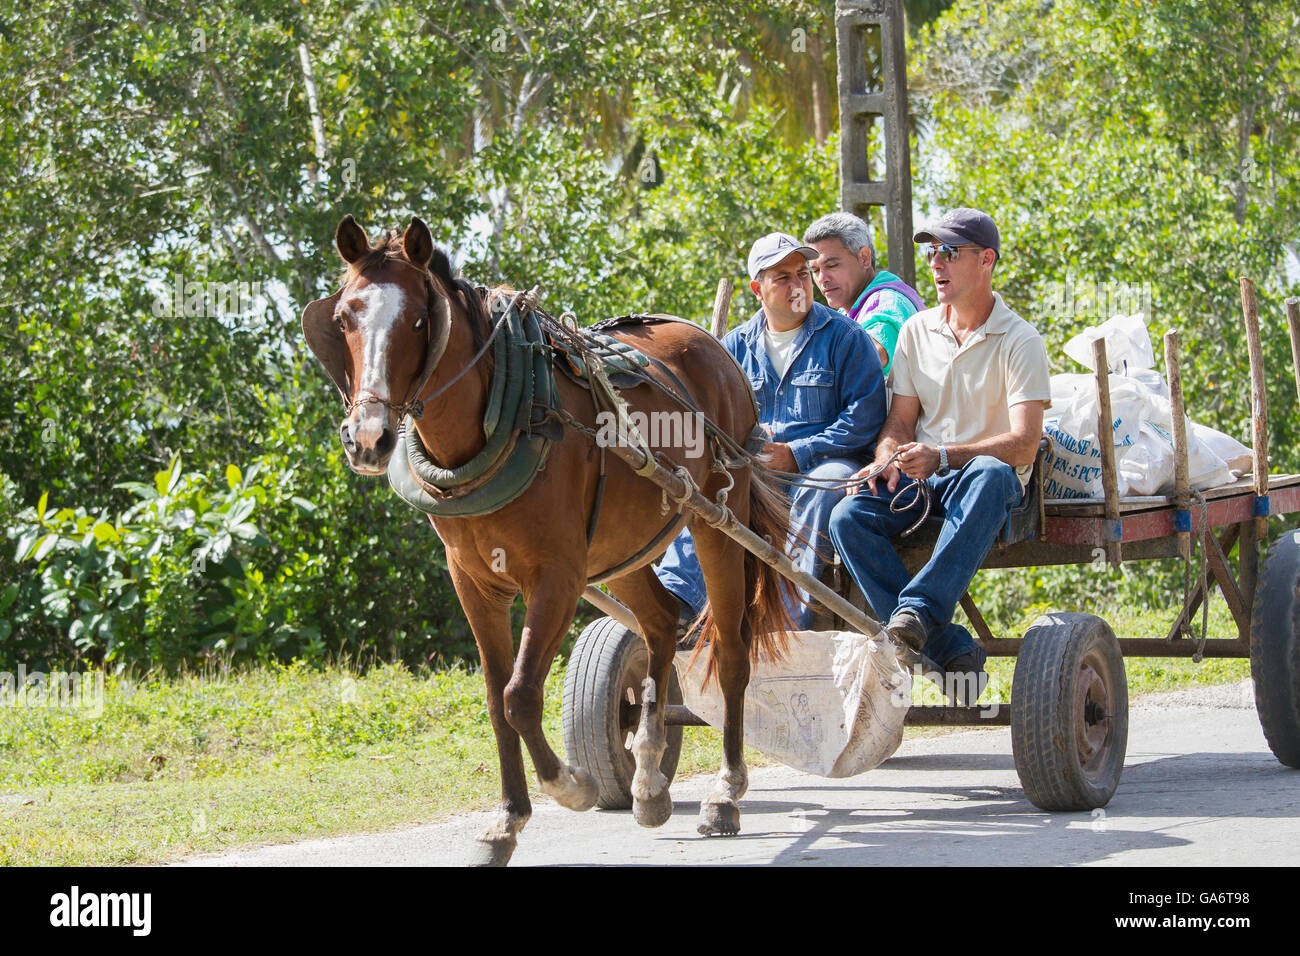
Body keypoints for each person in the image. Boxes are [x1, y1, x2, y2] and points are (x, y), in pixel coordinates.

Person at [827, 208, 1051, 705]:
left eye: (950, 253)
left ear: (986, 260)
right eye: (932, 252)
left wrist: (944, 455)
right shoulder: (917, 331)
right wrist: (883, 458)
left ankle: (917, 613)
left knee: (992, 474)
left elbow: (1024, 442)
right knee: (847, 516)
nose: (936, 263)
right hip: (923, 479)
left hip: (984, 485)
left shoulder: (1021, 340)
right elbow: (900, 423)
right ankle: (945, 642)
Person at [654, 231, 887, 630]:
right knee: (705, 488)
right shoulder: (732, 348)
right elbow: (714, 423)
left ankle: (792, 622)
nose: (798, 286)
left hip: (826, 466)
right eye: (783, 278)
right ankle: (674, 601)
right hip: (755, 469)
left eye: (802, 273)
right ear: (756, 289)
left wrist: (797, 452)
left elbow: (864, 417)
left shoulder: (846, 338)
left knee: (824, 485)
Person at [803, 212, 925, 375]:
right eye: (815, 270)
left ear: (864, 258)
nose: (822, 278)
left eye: (832, 265)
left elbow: (873, 355)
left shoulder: (887, 301)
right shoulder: (851, 309)